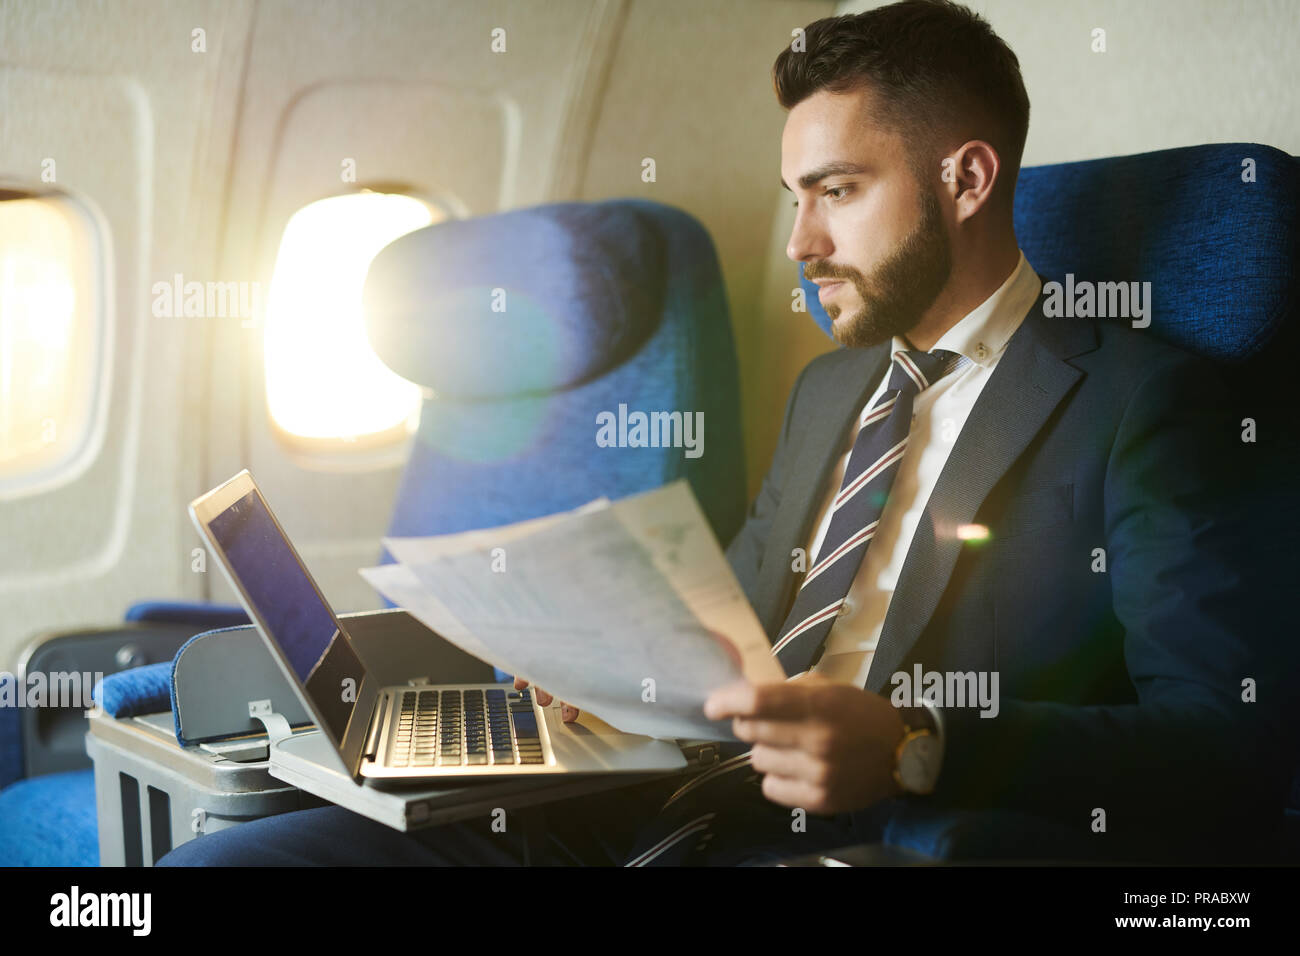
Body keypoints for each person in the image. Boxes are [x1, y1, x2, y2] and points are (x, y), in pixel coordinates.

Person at [160, 0, 1293, 867]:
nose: (798, 241)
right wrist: (594, 674)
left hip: (873, 840)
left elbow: (1231, 744)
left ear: (964, 178)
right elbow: (741, 634)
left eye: (835, 191)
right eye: (792, 195)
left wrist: (915, 741)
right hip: (643, 802)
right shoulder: (827, 392)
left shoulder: (1150, 406)